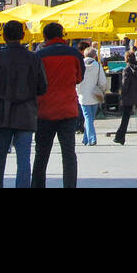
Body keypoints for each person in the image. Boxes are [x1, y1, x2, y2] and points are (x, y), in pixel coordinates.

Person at [0, 19, 47, 188]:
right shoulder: (33, 58)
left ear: (3, 37)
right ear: (23, 36)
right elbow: (42, 87)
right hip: (25, 114)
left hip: (0, 114)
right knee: (24, 160)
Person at [33, 22, 84, 188]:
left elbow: (35, 82)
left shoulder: (39, 55)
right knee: (69, 154)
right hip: (68, 110)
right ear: (62, 35)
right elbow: (79, 77)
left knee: (41, 154)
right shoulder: (74, 54)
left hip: (45, 110)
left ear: (45, 37)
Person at [113, 49, 137, 146]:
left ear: (126, 59)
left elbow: (125, 84)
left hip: (129, 97)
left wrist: (122, 96)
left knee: (125, 118)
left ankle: (120, 137)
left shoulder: (126, 70)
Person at [76, 44, 109, 145]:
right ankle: (91, 138)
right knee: (90, 118)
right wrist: (104, 89)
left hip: (82, 95)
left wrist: (77, 91)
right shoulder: (98, 65)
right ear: (94, 56)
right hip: (95, 95)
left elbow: (76, 79)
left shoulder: (79, 64)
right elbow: (102, 81)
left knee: (87, 117)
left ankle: (87, 138)